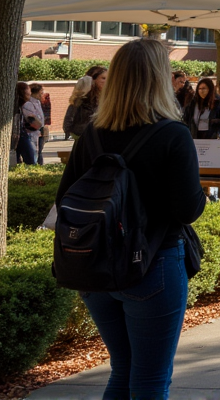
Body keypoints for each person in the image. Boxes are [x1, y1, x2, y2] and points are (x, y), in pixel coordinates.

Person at [55, 38, 205, 399]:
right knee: (151, 380)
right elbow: (188, 210)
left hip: (94, 267)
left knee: (122, 371)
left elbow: (65, 200)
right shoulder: (172, 133)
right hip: (153, 264)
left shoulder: (92, 134)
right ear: (158, 78)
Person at [12, 83, 39, 165]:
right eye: (28, 91)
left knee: (27, 158)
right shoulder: (17, 106)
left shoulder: (21, 105)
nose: (30, 94)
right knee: (30, 159)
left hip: (20, 134)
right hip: (18, 135)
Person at [24, 83, 46, 161]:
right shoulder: (28, 104)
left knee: (39, 152)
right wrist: (39, 126)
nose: (42, 94)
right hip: (32, 132)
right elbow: (32, 118)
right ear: (35, 93)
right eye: (41, 92)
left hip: (39, 131)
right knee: (34, 153)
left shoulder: (38, 102)